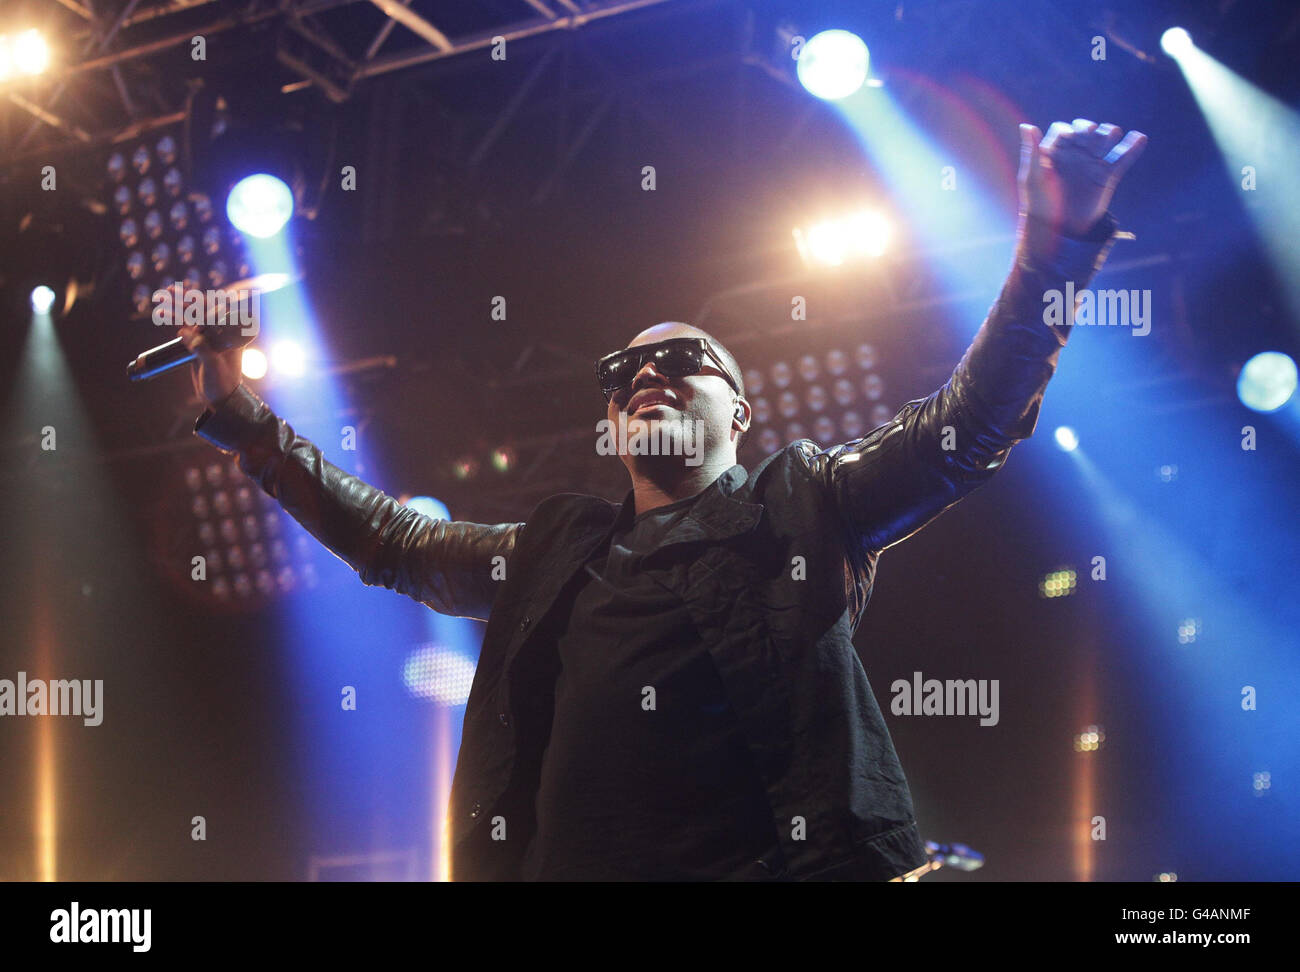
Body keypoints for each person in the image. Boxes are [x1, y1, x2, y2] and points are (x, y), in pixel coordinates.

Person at [178, 119, 1147, 881]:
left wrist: (1053, 250)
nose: (649, 373)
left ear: (740, 410)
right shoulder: (557, 551)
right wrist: (251, 428)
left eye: (685, 359)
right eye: (625, 367)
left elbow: (964, 429)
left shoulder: (803, 507)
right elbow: (391, 541)